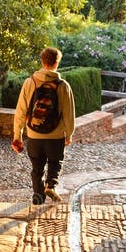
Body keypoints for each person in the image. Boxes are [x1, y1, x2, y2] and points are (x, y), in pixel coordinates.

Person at [12, 47, 76, 205]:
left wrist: (17, 135)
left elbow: (20, 111)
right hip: (56, 135)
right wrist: (69, 134)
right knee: (55, 162)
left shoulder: (29, 83)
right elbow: (68, 114)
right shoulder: (63, 86)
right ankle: (51, 185)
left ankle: (38, 198)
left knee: (37, 169)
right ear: (57, 62)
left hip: (34, 135)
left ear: (42, 61)